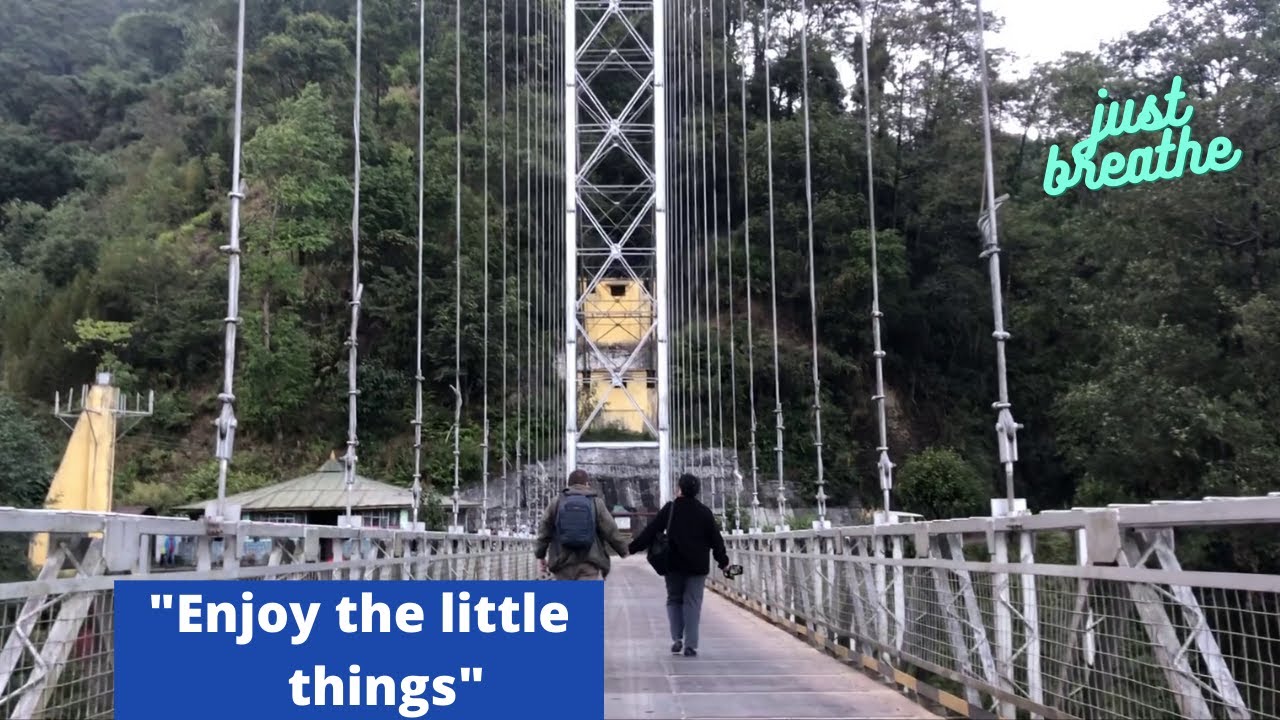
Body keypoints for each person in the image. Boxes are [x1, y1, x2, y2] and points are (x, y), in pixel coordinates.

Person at [628, 473, 729, 657]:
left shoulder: (670, 508)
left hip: (673, 564)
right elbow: (716, 540)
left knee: (674, 599)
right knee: (693, 603)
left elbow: (651, 531)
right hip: (698, 566)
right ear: (697, 491)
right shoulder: (704, 512)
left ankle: (677, 639)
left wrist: (631, 548)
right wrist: (723, 562)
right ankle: (691, 645)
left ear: (679, 489)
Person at [535, 469, 629, 580]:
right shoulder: (596, 502)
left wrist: (540, 554)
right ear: (587, 484)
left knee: (565, 597)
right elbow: (610, 530)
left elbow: (544, 530)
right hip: (589, 562)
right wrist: (623, 550)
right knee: (586, 597)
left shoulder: (556, 502)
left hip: (562, 563)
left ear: (569, 484)